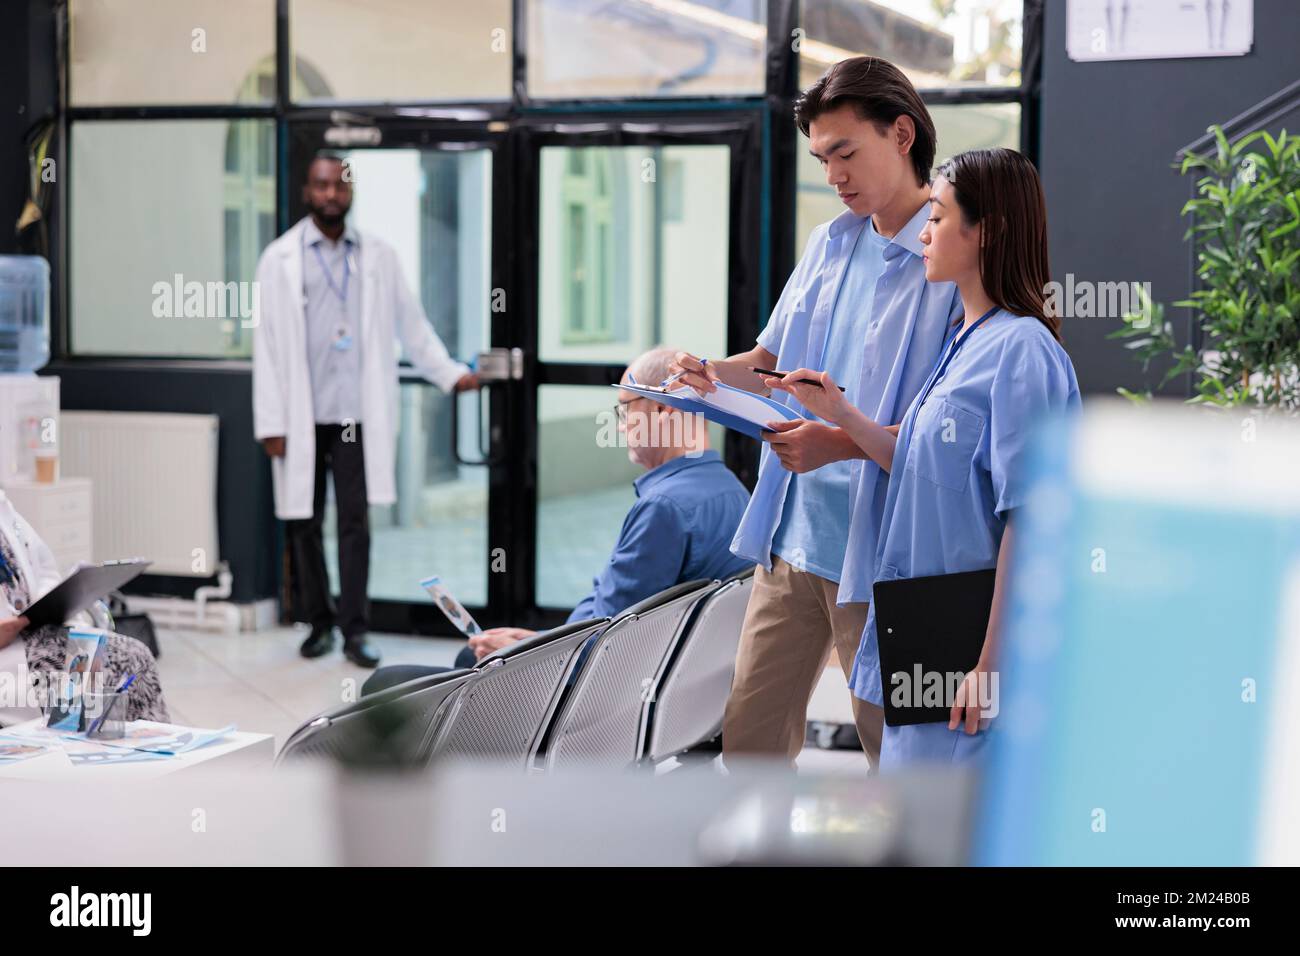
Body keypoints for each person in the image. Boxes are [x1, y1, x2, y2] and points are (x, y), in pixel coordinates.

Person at [669, 56, 960, 769]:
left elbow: (949, 436)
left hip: (887, 554)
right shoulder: (828, 243)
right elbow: (769, 365)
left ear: (901, 133)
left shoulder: (951, 257)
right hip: (792, 539)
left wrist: (840, 442)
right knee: (750, 741)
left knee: (893, 757)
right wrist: (705, 375)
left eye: (845, 153)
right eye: (822, 158)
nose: (834, 175)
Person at [764, 147, 1081, 768]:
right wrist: (840, 412)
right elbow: (910, 456)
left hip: (970, 644)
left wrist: (991, 664)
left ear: (985, 231)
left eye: (937, 217)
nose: (925, 233)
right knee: (908, 812)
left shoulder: (1023, 351)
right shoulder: (964, 340)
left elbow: (1033, 519)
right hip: (919, 625)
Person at [361, 347, 752, 696]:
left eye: (625, 408)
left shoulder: (665, 508)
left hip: (585, 695)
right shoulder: (731, 491)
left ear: (664, 408)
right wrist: (536, 639)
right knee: (473, 653)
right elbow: (616, 622)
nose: (619, 426)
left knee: (384, 684)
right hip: (658, 681)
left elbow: (606, 644)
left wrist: (527, 651)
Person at [252, 153, 479, 669]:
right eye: (322, 185)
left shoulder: (379, 256)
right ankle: (319, 623)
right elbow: (264, 345)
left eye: (340, 185)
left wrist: (449, 373)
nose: (331, 194)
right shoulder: (279, 259)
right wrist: (270, 422)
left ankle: (355, 630)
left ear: (350, 192)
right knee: (303, 522)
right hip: (300, 414)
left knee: (355, 522)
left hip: (355, 415)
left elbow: (412, 325)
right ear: (308, 191)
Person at [0, 490, 168, 726]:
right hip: (10, 659)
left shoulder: (4, 507)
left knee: (134, 655)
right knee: (117, 665)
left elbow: (44, 569)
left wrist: (48, 603)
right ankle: (87, 747)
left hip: (34, 634)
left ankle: (142, 753)